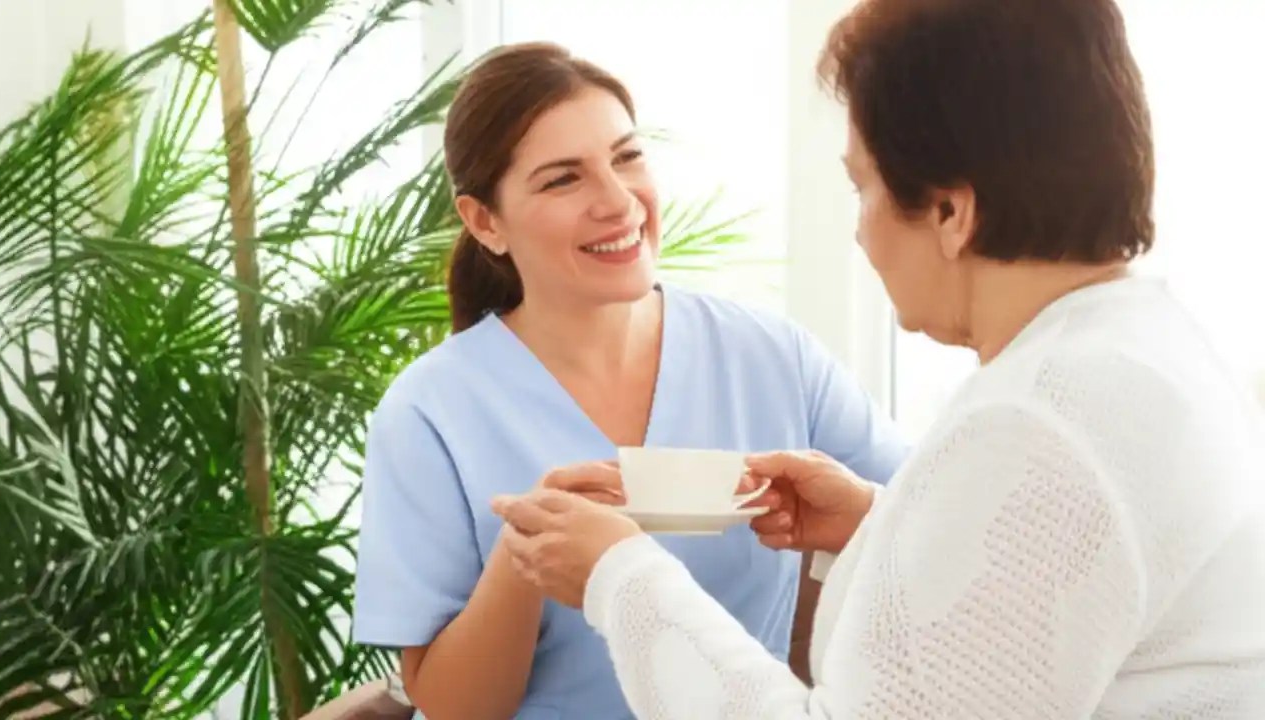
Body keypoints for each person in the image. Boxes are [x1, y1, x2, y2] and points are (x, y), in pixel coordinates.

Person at [489, 1, 1265, 717]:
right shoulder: (1138, 348)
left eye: (861, 186)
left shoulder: (1038, 422)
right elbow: (1027, 621)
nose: (859, 233)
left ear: (950, 212)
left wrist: (620, 576)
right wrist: (881, 525)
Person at [350, 42, 908, 719]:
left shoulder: (773, 359)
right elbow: (456, 709)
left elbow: (942, 532)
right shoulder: (428, 411)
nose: (618, 202)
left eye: (626, 157)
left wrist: (855, 519)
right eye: (563, 179)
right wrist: (522, 562)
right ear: (485, 222)